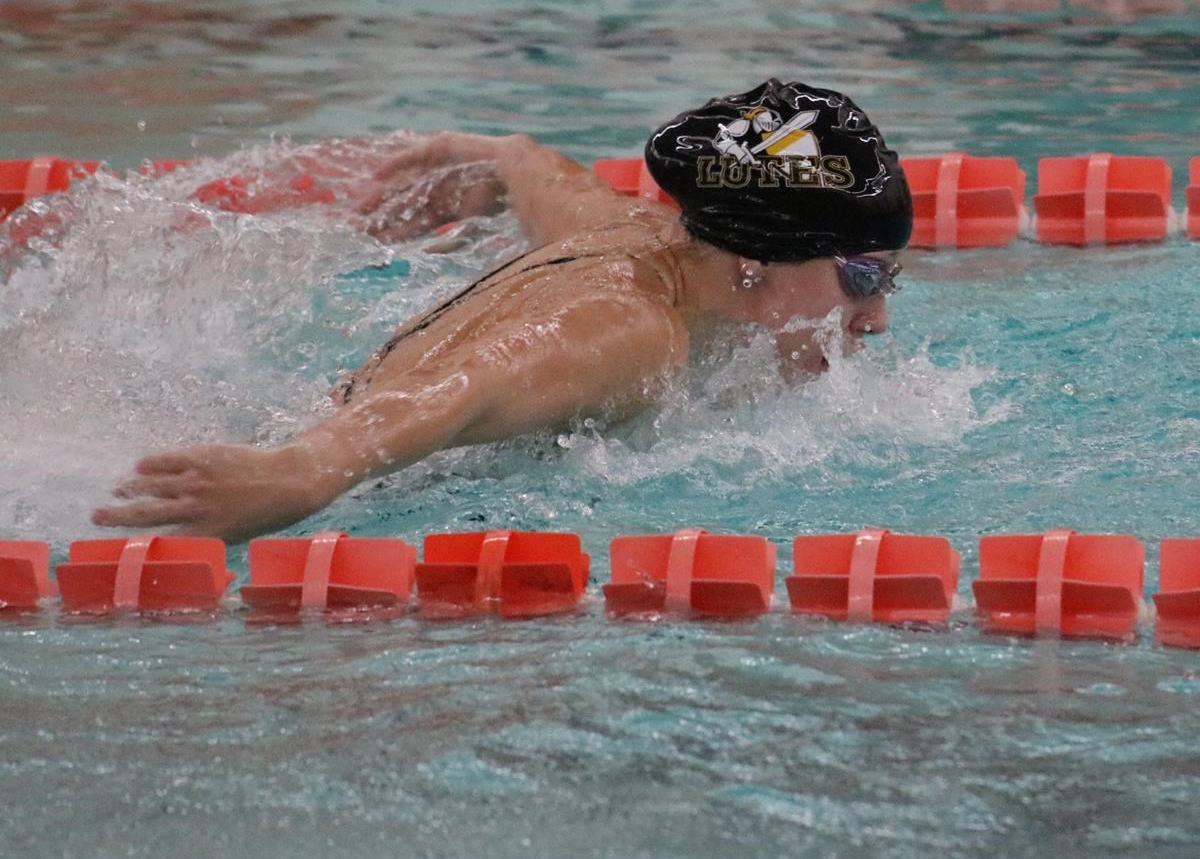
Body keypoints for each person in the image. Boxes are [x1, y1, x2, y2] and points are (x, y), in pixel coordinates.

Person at [92, 79, 912, 542]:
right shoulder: (631, 332)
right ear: (754, 260)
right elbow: (463, 389)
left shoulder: (650, 239)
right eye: (860, 278)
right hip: (297, 480)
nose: (875, 319)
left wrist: (496, 160)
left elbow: (547, 177)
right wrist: (299, 472)